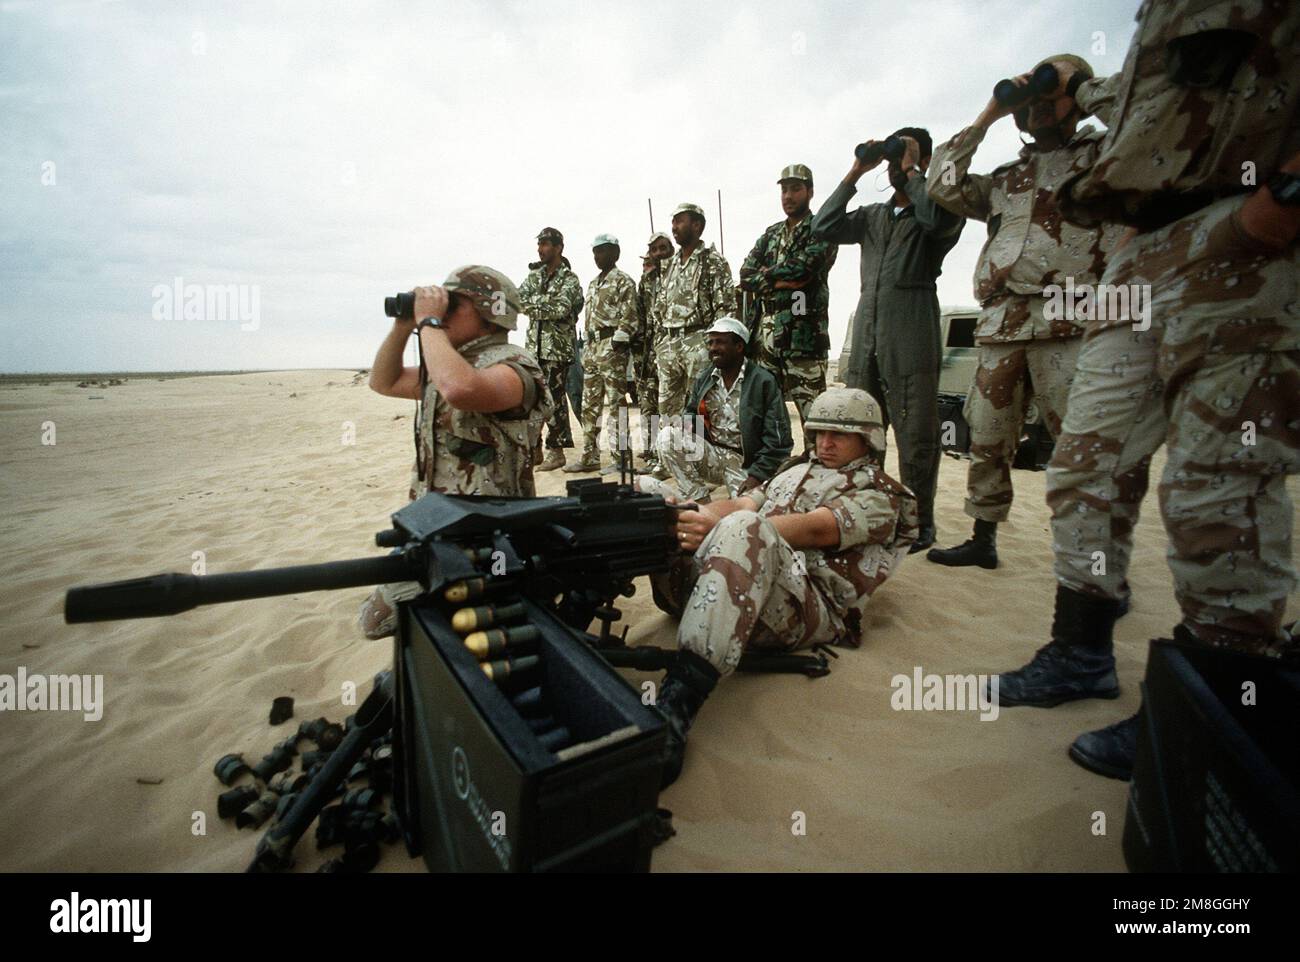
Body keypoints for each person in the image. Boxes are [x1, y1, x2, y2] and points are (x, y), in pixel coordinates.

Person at [993, 1, 1300, 779]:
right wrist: (1062, 87)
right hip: (1143, 258)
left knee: (1217, 477)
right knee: (1083, 465)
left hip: (1239, 233)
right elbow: (1143, 101)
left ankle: (1220, 703)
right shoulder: (1154, 23)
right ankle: (1081, 652)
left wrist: (1280, 207)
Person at [654, 387, 918, 786]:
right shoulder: (795, 470)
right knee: (653, 498)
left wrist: (723, 528)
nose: (825, 443)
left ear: (869, 439)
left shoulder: (880, 494)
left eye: (839, 435)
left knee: (746, 528)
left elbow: (815, 528)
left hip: (803, 609)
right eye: (819, 432)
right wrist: (697, 515)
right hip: (736, 587)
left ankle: (678, 703)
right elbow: (744, 503)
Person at [925, 56, 1124, 570]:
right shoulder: (1005, 178)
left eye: (1046, 97)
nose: (1036, 109)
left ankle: (1100, 568)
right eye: (1029, 103)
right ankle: (983, 537)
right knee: (988, 439)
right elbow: (941, 184)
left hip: (1071, 319)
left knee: (1083, 447)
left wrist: (1081, 88)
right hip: (1003, 322)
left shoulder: (1107, 155)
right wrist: (990, 112)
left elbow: (1147, 119)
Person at [359, 265, 552, 638]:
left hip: (486, 534)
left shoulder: (515, 364)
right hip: (433, 525)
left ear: (488, 311)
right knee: (376, 618)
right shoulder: (449, 363)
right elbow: (383, 381)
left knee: (409, 623)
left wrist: (430, 321)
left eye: (454, 304)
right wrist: (404, 326)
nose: (443, 312)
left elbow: (462, 389)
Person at [812, 128, 965, 553]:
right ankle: (868, 513)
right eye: (893, 159)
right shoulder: (873, 216)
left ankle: (920, 524)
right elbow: (823, 225)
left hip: (911, 330)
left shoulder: (939, 209)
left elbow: (936, 219)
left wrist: (916, 170)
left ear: (922, 163)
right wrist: (858, 169)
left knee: (917, 435)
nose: (895, 167)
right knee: (860, 429)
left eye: (904, 159)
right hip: (867, 334)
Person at [636, 317, 792, 502]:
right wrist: (688, 423)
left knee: (747, 512)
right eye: (710, 342)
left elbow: (779, 442)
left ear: (739, 346)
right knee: (668, 437)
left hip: (746, 464)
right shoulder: (706, 378)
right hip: (713, 455)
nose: (712, 348)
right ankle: (700, 502)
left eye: (720, 342)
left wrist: (757, 476)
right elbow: (691, 411)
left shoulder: (763, 382)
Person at [739, 163, 837, 435]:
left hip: (803, 338)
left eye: (795, 189)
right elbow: (746, 275)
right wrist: (781, 279)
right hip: (764, 342)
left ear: (810, 191)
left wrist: (767, 276)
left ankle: (815, 472)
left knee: (814, 419)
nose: (788, 196)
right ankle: (769, 474)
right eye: (784, 190)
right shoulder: (770, 234)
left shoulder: (821, 229)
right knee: (765, 418)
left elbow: (806, 268)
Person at [651, 203, 735, 430]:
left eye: (680, 221)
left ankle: (699, 458)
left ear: (696, 225)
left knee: (700, 405)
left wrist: (716, 346)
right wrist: (661, 343)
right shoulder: (670, 265)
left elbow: (725, 309)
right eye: (673, 222)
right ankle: (667, 458)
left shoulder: (712, 261)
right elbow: (659, 306)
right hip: (669, 344)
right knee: (667, 408)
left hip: (698, 341)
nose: (674, 227)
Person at [565, 234, 639, 473]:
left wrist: (621, 338)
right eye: (595, 252)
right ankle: (589, 456)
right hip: (592, 348)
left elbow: (630, 315)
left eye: (603, 251)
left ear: (615, 253)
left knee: (617, 405)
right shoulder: (593, 284)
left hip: (612, 345)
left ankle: (621, 460)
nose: (598, 256)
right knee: (590, 405)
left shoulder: (623, 281)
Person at [518, 227, 584, 471]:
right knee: (531, 399)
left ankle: (556, 451)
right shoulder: (534, 277)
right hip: (534, 350)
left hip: (557, 350)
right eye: (539, 244)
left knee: (554, 401)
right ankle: (534, 448)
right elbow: (518, 299)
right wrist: (540, 304)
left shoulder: (570, 279)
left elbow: (561, 308)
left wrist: (533, 304)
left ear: (558, 248)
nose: (540, 249)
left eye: (545, 244)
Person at [635, 232, 674, 470]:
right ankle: (652, 453)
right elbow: (641, 318)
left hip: (673, 350)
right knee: (649, 404)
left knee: (671, 406)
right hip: (650, 353)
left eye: (663, 248)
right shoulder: (646, 282)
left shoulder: (679, 274)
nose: (658, 254)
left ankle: (671, 455)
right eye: (654, 250)